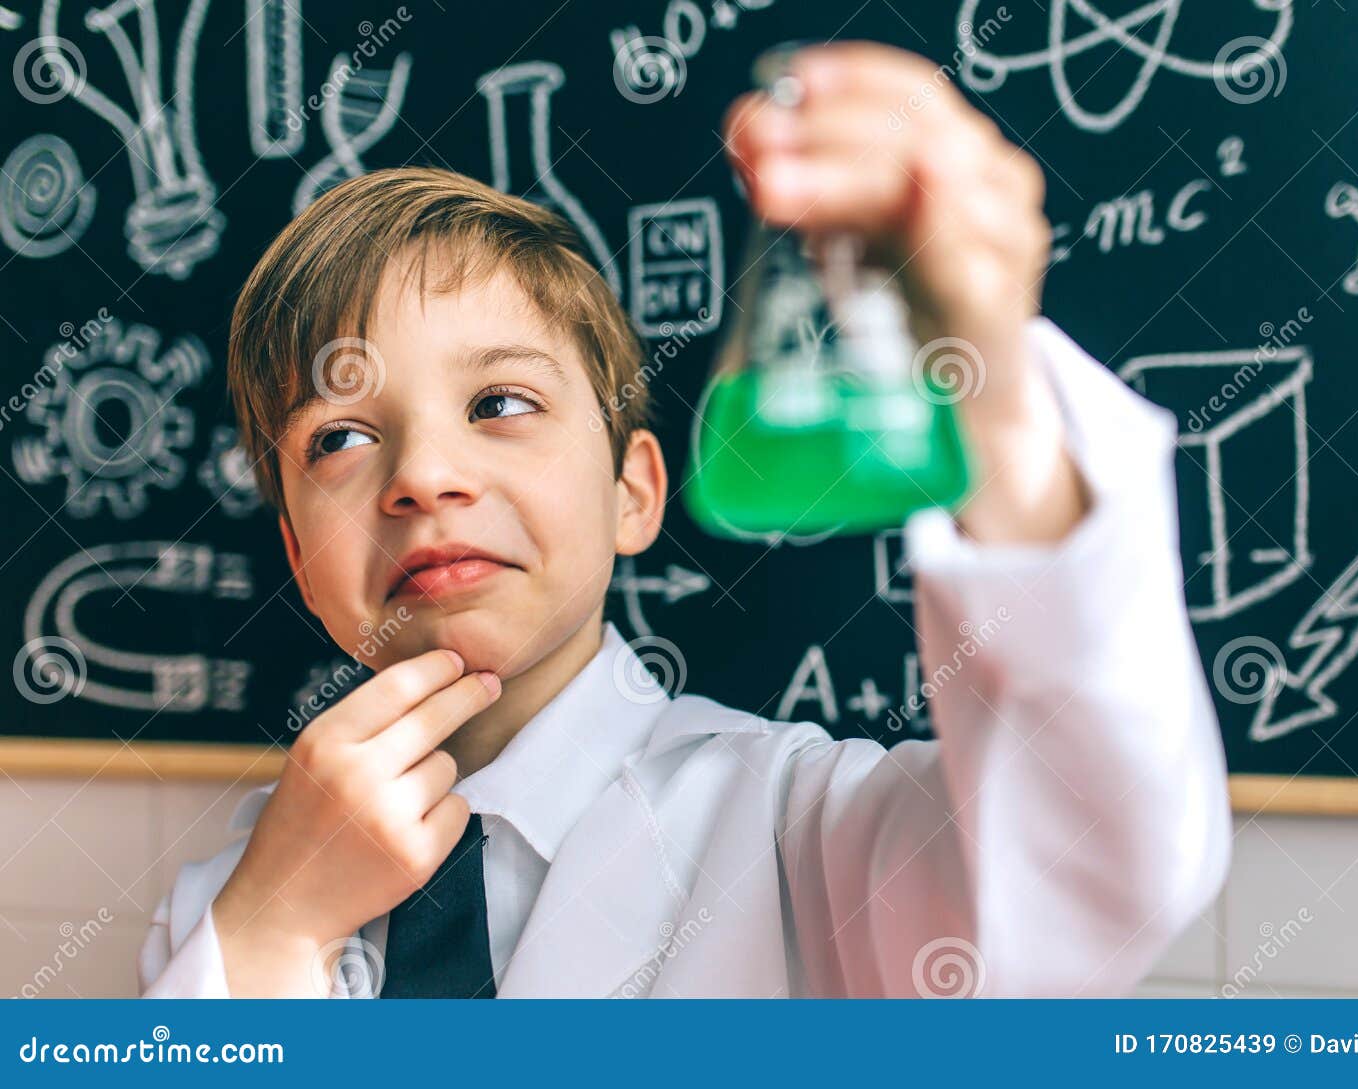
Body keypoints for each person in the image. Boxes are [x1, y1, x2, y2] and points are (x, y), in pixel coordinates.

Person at [138, 42, 1230, 998]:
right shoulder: (232, 905)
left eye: (500, 404)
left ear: (634, 492)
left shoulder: (805, 830)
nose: (423, 476)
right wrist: (273, 932)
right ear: (295, 553)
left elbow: (1102, 868)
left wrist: (988, 375)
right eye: (338, 437)